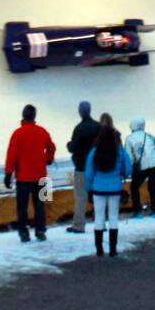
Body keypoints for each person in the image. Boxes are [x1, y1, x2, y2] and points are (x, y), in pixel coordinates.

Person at [4, 104, 56, 242]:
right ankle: (40, 230)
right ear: (34, 116)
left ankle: (24, 232)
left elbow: (11, 155)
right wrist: (48, 159)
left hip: (23, 176)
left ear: (23, 116)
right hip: (41, 175)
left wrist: (8, 173)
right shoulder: (42, 131)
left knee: (22, 206)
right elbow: (52, 147)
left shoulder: (17, 133)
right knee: (40, 204)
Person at [87, 114, 131, 254]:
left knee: (99, 217)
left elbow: (89, 174)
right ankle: (113, 249)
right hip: (115, 188)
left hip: (98, 189)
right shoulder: (119, 151)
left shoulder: (94, 152)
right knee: (113, 217)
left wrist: (89, 189)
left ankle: (99, 249)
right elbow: (128, 169)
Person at [66, 100, 99, 233]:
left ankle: (79, 225)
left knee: (81, 197)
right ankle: (101, 222)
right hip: (97, 167)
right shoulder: (99, 127)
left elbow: (73, 148)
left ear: (80, 112)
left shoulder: (79, 128)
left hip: (82, 168)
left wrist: (69, 145)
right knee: (98, 195)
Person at [126, 118, 155, 218]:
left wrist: (129, 170)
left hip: (143, 166)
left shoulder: (129, 138)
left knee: (134, 187)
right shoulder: (150, 136)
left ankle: (138, 212)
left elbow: (129, 157)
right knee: (152, 186)